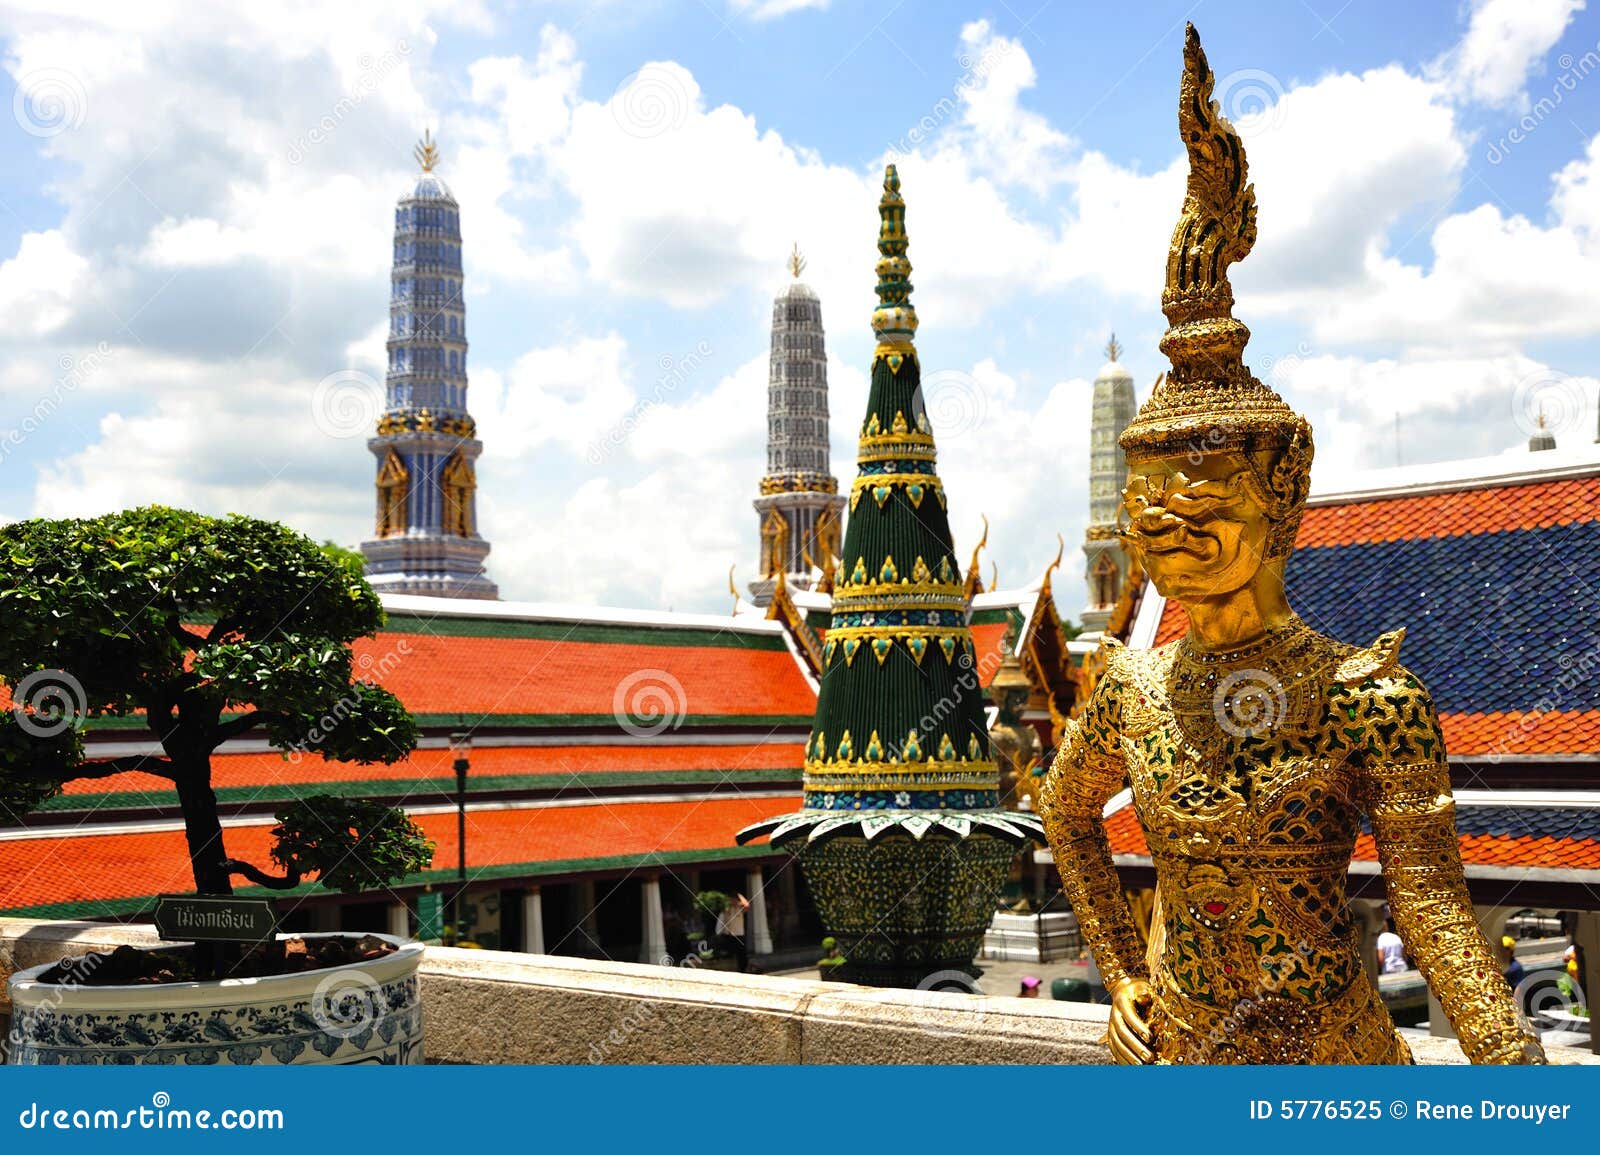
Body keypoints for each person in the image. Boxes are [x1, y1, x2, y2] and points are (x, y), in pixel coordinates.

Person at [716, 893, 751, 972]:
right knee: (727, 954)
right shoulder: (725, 909)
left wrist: (739, 895)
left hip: (739, 936)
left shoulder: (739, 908)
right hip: (727, 936)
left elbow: (747, 905)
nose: (733, 901)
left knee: (742, 956)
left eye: (734, 899)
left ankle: (742, 971)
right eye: (731, 899)